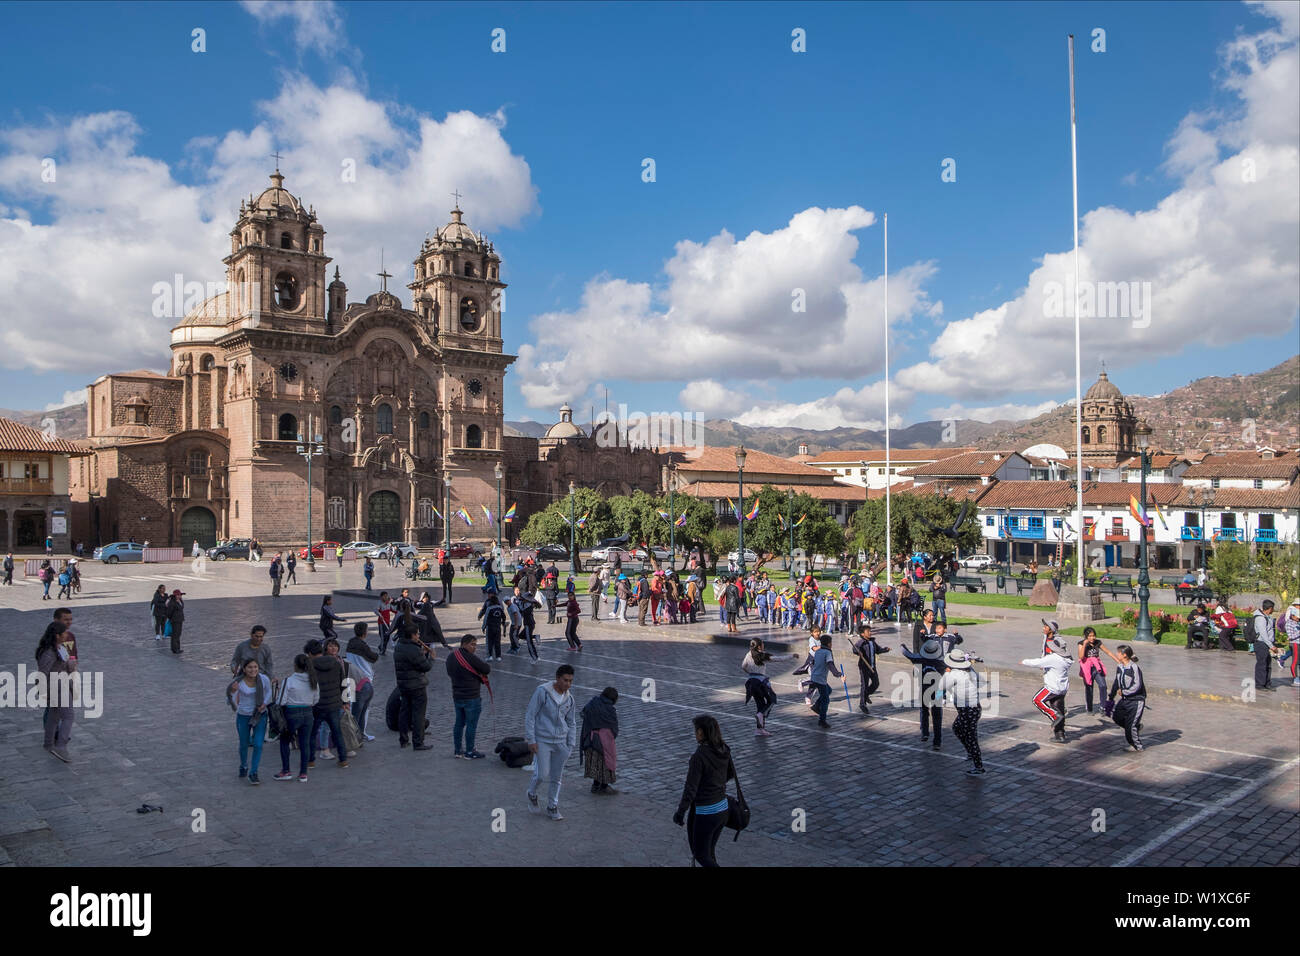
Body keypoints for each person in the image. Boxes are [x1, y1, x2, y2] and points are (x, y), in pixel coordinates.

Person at [672, 715, 738, 867]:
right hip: (722, 808)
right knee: (709, 852)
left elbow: (690, 788)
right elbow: (730, 774)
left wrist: (680, 812)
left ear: (701, 732)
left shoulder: (699, 757)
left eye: (696, 730)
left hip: (706, 811)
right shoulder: (723, 749)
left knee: (701, 854)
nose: (695, 734)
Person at [524, 664, 577, 820]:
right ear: (557, 678)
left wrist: (570, 744)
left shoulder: (570, 699)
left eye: (571, 681)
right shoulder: (543, 692)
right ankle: (532, 793)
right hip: (543, 741)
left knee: (556, 777)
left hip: (561, 743)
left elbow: (571, 722)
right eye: (565, 680)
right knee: (541, 774)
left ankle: (552, 806)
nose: (568, 684)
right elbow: (530, 715)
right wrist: (531, 739)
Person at [306, 638, 351, 767]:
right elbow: (343, 683)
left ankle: (310, 760)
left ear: (310, 653)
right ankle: (343, 759)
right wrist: (345, 701)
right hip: (334, 704)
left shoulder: (311, 666)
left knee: (312, 733)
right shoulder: (336, 662)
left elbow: (310, 686)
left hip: (317, 705)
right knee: (337, 732)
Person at [36, 620, 77, 762]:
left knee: (54, 715)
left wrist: (70, 665)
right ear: (57, 635)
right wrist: (43, 690)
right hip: (57, 687)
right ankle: (60, 746)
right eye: (64, 632)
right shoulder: (49, 652)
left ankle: (48, 743)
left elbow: (63, 666)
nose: (67, 634)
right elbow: (43, 672)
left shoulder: (58, 648)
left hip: (61, 684)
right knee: (68, 716)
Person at [273, 654, 318, 781]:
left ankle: (286, 770)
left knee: (285, 741)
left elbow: (281, 701)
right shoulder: (313, 680)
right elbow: (316, 699)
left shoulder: (289, 680)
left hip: (292, 713)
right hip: (308, 713)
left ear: (295, 665)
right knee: (305, 743)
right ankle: (303, 773)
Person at [227, 659, 272, 784]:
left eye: (255, 667)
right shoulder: (238, 682)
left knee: (258, 744)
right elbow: (230, 701)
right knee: (243, 744)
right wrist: (233, 691)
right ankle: (243, 765)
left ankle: (254, 772)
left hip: (260, 715)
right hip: (243, 716)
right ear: (244, 669)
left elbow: (269, 692)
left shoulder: (263, 679)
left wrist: (264, 703)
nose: (253, 670)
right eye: (250, 667)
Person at [447, 633, 491, 759]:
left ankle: (457, 750)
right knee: (471, 724)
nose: (474, 648)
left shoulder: (451, 657)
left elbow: (449, 672)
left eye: (475, 645)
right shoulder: (470, 657)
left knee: (459, 723)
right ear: (464, 644)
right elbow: (486, 668)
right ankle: (470, 751)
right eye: (472, 644)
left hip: (457, 695)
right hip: (471, 696)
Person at [942, 648, 985, 774]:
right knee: (964, 731)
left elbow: (942, 686)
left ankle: (979, 766)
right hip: (973, 708)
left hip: (968, 709)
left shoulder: (954, 674)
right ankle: (971, 754)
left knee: (968, 735)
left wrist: (947, 673)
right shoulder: (969, 670)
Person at [741, 638, 796, 736]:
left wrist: (751, 673)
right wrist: (792, 656)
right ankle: (761, 714)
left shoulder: (748, 654)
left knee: (760, 704)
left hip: (751, 682)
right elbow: (778, 659)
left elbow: (743, 666)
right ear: (759, 646)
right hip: (761, 682)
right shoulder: (763, 655)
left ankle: (760, 729)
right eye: (762, 644)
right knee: (771, 699)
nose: (763, 645)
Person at [1023, 638, 1073, 742]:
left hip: (1052, 687)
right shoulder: (1067, 659)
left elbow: (1037, 662)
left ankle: (1053, 715)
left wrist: (1024, 661)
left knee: (1037, 700)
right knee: (1058, 708)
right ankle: (1060, 734)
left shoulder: (1054, 658)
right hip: (1062, 688)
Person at [394, 622, 434, 750]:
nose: (419, 636)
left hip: (403, 684)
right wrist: (430, 657)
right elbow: (425, 666)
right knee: (418, 714)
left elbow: (412, 661)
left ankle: (403, 740)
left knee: (404, 712)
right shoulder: (414, 648)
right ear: (412, 635)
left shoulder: (399, 645)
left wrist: (421, 653)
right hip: (416, 685)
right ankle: (418, 742)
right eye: (417, 634)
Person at [899, 637, 946, 747]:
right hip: (938, 691)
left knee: (924, 711)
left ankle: (925, 733)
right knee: (937, 715)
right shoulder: (941, 662)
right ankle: (937, 742)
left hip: (924, 689)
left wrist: (902, 645)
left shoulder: (919, 659)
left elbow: (906, 653)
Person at [1103, 643, 1147, 751]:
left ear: (1125, 655)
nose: (1117, 654)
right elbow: (1116, 682)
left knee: (1130, 726)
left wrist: (1125, 692)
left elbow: (1137, 685)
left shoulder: (1134, 668)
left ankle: (1137, 746)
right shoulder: (1120, 667)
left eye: (1119, 653)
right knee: (1116, 717)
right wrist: (1111, 696)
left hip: (1136, 701)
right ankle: (1134, 727)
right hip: (1124, 700)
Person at [580, 687, 620, 793]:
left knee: (596, 762)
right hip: (605, 740)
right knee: (606, 762)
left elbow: (583, 713)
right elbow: (614, 727)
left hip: (591, 739)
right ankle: (604, 786)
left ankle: (595, 785)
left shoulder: (593, 702)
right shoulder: (610, 709)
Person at [346, 623, 379, 740]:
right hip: (363, 679)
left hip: (350, 677)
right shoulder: (363, 646)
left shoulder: (350, 643)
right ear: (365, 633)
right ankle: (359, 733)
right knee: (362, 709)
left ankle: (353, 733)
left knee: (351, 706)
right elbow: (373, 657)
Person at [850, 623, 890, 715]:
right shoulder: (861, 642)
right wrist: (858, 652)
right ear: (863, 634)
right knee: (864, 684)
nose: (870, 633)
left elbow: (878, 650)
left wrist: (885, 649)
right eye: (868, 631)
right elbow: (855, 649)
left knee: (876, 683)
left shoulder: (872, 642)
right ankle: (862, 704)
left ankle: (866, 694)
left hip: (872, 666)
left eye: (870, 631)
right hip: (864, 667)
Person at [807, 632, 843, 729]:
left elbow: (815, 662)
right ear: (828, 644)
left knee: (829, 691)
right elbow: (830, 664)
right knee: (826, 700)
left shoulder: (818, 651)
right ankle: (822, 720)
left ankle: (816, 706)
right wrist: (838, 674)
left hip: (815, 677)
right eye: (831, 643)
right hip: (820, 679)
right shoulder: (828, 652)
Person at [1076, 627, 1108, 714]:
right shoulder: (1081, 644)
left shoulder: (1098, 642)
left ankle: (1103, 706)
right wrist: (1084, 645)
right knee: (1089, 688)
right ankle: (1089, 709)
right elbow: (1081, 657)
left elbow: (1108, 652)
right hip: (1086, 669)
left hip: (1097, 668)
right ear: (1085, 636)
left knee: (1103, 686)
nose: (1092, 638)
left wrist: (1119, 661)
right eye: (1089, 636)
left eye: (1093, 636)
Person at [1252, 600, 1278, 690]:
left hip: (1267, 643)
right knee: (1261, 664)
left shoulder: (1267, 617)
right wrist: (1271, 646)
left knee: (1268, 664)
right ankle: (1260, 684)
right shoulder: (1260, 618)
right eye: (1273, 608)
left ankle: (1267, 683)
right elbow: (1263, 635)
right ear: (1270, 608)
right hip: (1261, 643)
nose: (1273, 610)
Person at [478, 587, 506, 661]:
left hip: (490, 627)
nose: (488, 595)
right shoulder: (499, 606)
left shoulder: (489, 607)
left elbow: (486, 616)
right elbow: (503, 616)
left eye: (489, 594)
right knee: (497, 641)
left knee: (489, 642)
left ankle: (490, 656)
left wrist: (483, 627)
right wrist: (503, 624)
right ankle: (498, 656)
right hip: (497, 626)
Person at [1280, 598, 1300, 687]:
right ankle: (1295, 678)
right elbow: (1291, 636)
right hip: (1295, 643)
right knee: (1295, 661)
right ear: (1292, 616)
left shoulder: (1297, 622)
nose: (1298, 618)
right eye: (1297, 617)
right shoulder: (1289, 623)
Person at [165, 589, 185, 655]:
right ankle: (174, 649)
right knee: (175, 635)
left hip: (180, 620)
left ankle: (178, 648)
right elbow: (169, 613)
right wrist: (172, 618)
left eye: (180, 595)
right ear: (175, 595)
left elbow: (182, 607)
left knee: (178, 634)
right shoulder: (172, 603)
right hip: (175, 620)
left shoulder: (180, 601)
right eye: (179, 595)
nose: (180, 596)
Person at [564, 586, 584, 652]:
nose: (569, 597)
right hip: (573, 619)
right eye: (568, 596)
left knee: (567, 633)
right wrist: (555, 606)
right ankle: (579, 645)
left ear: (573, 596)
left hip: (573, 619)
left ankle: (573, 646)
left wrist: (571, 614)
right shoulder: (570, 601)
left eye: (571, 595)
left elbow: (579, 610)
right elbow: (564, 604)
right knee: (572, 633)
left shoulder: (574, 602)